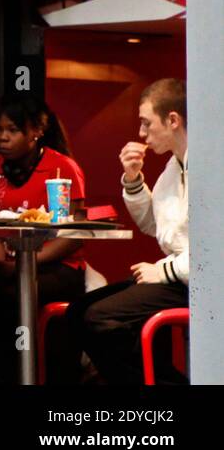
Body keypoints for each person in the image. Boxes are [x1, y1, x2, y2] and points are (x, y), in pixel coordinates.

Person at [0, 93, 87, 384]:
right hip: (7, 266)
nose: (3, 138)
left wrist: (30, 260)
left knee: (2, 301)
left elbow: (76, 234)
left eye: (12, 130)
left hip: (57, 268)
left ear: (36, 131)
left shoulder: (63, 168)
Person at [68, 78, 189, 384]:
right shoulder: (173, 167)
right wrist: (133, 179)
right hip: (177, 276)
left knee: (101, 318)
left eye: (147, 123)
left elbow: (215, 251)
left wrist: (166, 272)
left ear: (172, 120)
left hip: (199, 282)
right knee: (77, 311)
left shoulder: (211, 165)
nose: (141, 133)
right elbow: (153, 224)